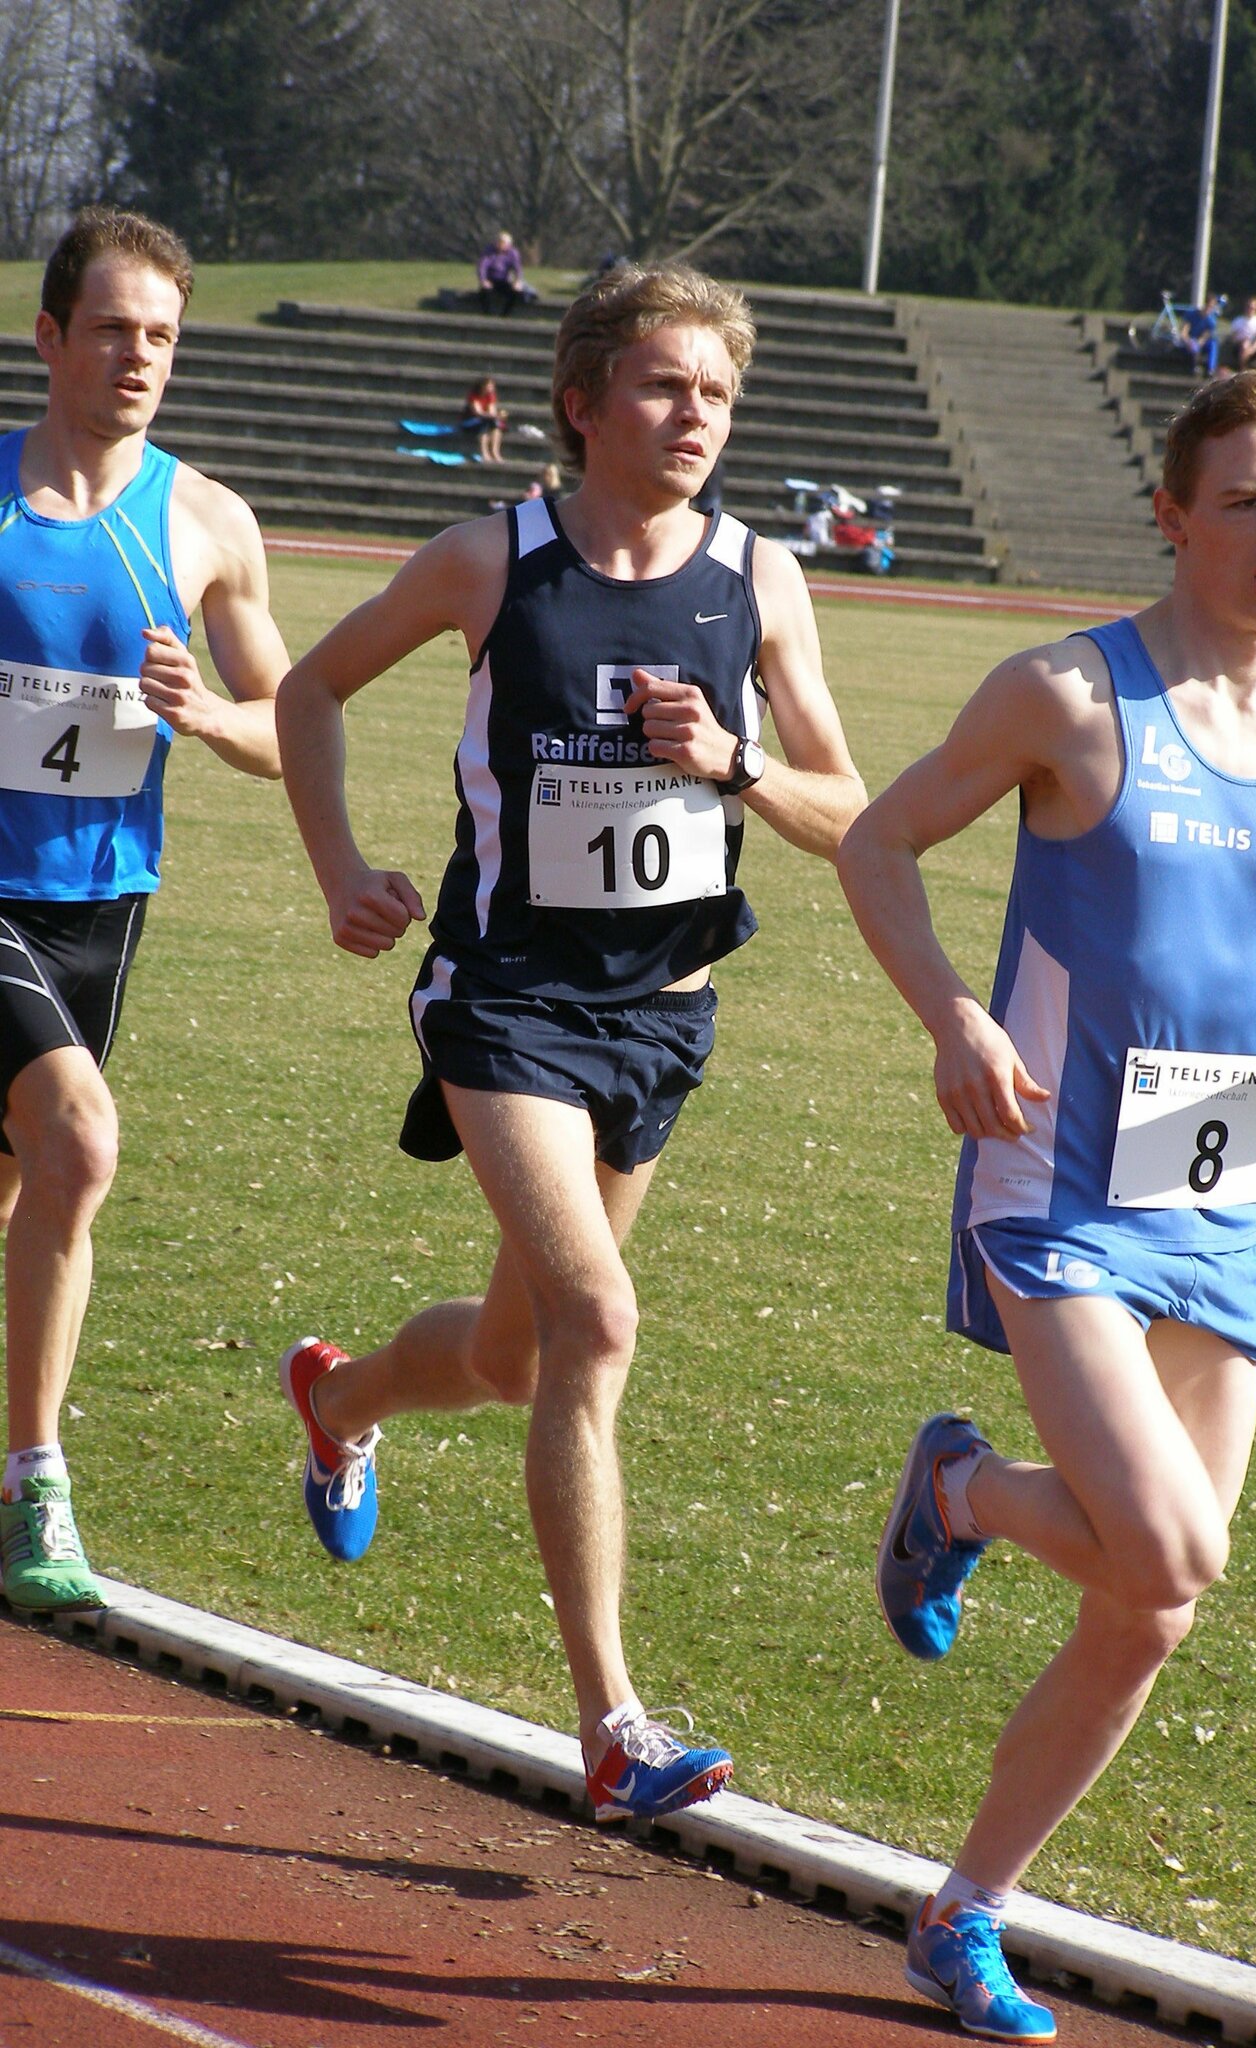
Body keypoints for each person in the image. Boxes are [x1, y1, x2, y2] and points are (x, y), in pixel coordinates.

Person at [837, 368, 1256, 2045]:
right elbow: (879, 842)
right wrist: (957, 1022)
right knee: (1172, 1537)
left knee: (1154, 1605)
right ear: (1175, 513)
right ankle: (961, 1487)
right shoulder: (1067, 695)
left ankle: (963, 1905)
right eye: (1251, 501)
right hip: (1051, 1180)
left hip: (1215, 1195)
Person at [276, 262, 863, 1826]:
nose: (696, 418)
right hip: (504, 999)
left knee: (515, 1351)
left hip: (661, 1019)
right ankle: (613, 1723)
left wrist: (731, 762)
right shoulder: (490, 562)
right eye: (667, 387)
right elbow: (311, 687)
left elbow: (848, 815)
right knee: (597, 1322)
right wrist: (344, 870)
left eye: (720, 394)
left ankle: (337, 1405)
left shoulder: (762, 579)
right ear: (584, 400)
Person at [0, 208, 287, 1613]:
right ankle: (39, 1483)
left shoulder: (204, 521)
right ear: (49, 337)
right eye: (112, 328)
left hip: (101, 907)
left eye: (161, 335)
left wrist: (210, 713)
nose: (138, 356)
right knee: (81, 1142)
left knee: (26, 1183)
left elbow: (296, 727)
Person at [476, 231, 533, 315]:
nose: (501, 244)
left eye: (503, 243)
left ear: (509, 244)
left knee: (516, 292)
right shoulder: (489, 251)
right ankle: (487, 314)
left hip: (503, 280)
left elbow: (518, 268)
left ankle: (505, 315)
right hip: (490, 280)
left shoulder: (513, 253)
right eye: (499, 242)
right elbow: (482, 266)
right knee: (485, 292)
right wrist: (483, 280)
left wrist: (518, 281)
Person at [459, 377, 506, 464]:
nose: (492, 388)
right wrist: (492, 415)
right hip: (470, 421)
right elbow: (478, 412)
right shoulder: (474, 396)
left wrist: (496, 416)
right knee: (484, 425)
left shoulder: (491, 396)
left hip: (484, 420)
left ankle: (495, 452)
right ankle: (484, 453)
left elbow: (492, 410)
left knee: (496, 425)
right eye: (489, 386)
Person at [1179, 293, 1223, 379]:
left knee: (1213, 343)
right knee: (1192, 347)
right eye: (1207, 306)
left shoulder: (1211, 321)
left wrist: (1197, 343)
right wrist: (1188, 342)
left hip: (1200, 342)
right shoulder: (1191, 314)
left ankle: (1211, 369)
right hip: (1188, 342)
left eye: (1211, 307)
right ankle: (1195, 367)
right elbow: (1184, 332)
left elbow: (1204, 337)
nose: (1208, 309)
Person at [1227, 295, 1256, 370]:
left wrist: (1251, 349)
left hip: (1255, 346)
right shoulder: (1238, 321)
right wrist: (1243, 342)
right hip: (1240, 346)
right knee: (1244, 345)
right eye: (1248, 307)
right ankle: (1242, 370)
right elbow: (1233, 338)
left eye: (1252, 308)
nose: (1250, 309)